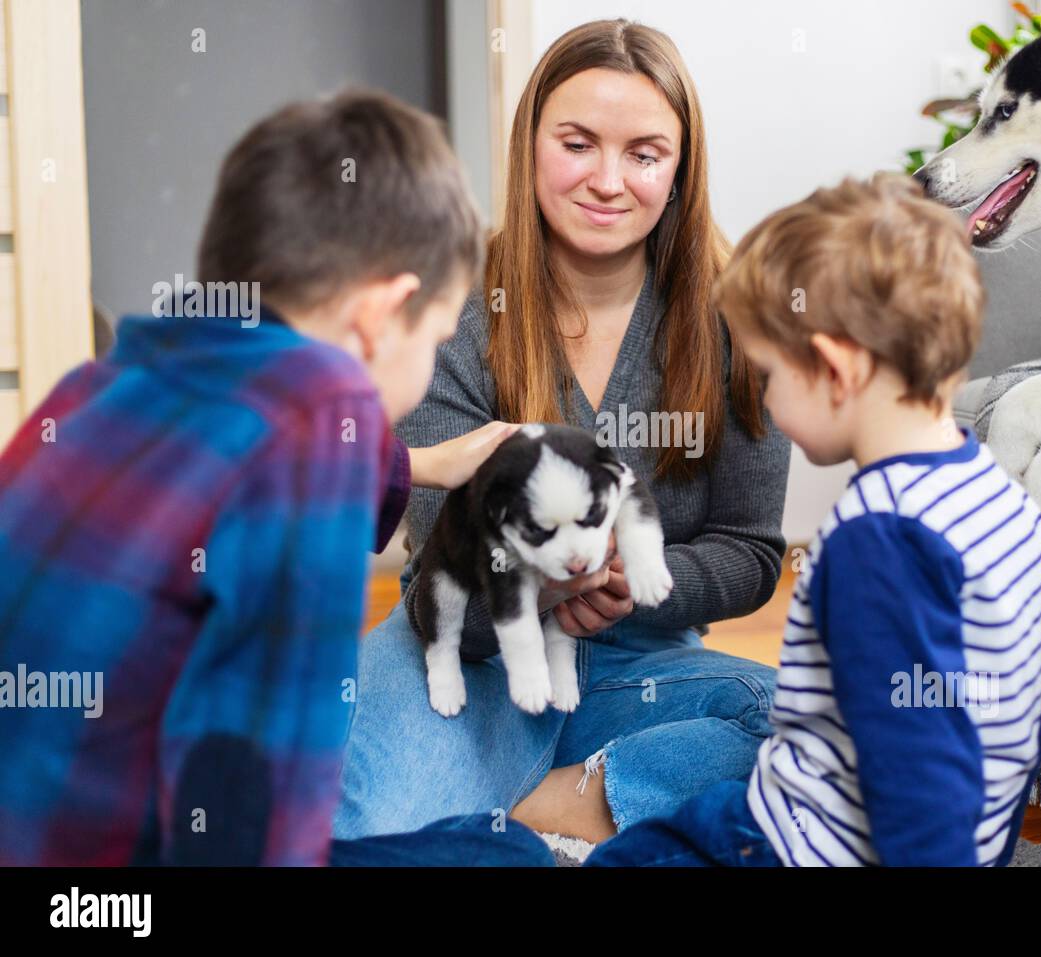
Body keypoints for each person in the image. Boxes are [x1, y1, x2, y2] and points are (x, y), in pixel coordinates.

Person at [0, 89, 520, 865]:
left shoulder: (106, 383)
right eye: (438, 334)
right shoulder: (320, 416)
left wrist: (425, 463)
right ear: (385, 313)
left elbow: (221, 470)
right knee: (503, 856)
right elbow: (258, 807)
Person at [333, 18, 792, 846]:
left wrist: (635, 582)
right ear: (530, 143)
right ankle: (509, 803)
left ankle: (546, 806)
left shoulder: (742, 318)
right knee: (366, 839)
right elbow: (454, 598)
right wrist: (551, 579)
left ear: (679, 166)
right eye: (577, 143)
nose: (609, 182)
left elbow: (753, 552)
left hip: (641, 663)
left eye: (645, 154)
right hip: (474, 654)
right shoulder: (455, 308)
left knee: (819, 739)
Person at [584, 174, 1041, 866]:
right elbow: (1016, 720)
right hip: (871, 820)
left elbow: (919, 772)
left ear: (834, 371)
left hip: (793, 847)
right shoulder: (1008, 504)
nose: (766, 403)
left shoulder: (880, 541)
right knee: (687, 818)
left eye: (769, 374)